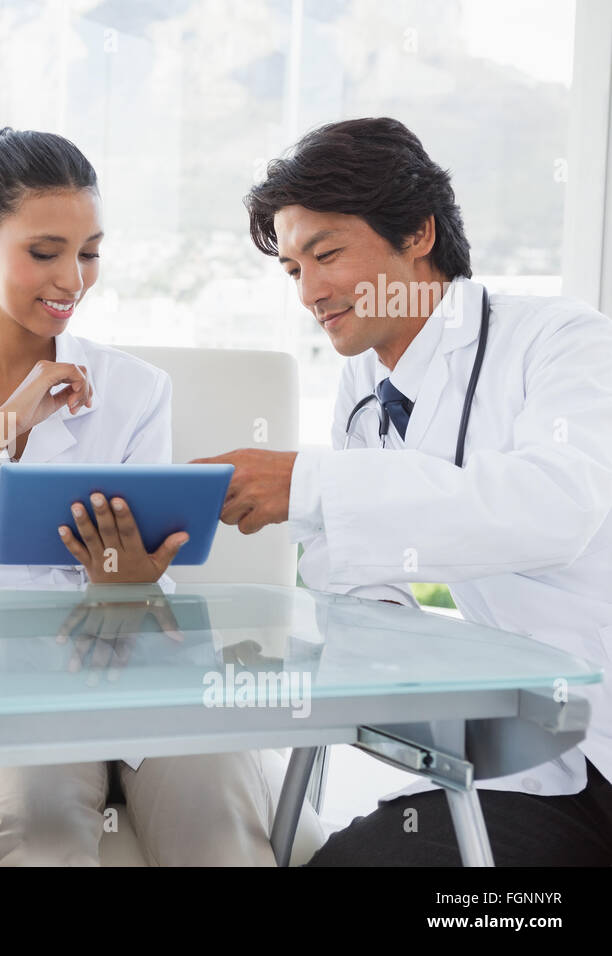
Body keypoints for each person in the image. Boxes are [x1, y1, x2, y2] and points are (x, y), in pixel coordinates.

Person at [0, 127, 313, 866]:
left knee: (219, 815)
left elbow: (149, 580)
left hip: (138, 673)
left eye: (89, 253)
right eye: (45, 252)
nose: (72, 279)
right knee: (41, 828)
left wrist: (127, 577)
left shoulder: (134, 389)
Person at [198, 116, 612, 865]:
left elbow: (557, 509)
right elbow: (358, 574)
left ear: (417, 234)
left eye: (326, 254)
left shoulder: (564, 341)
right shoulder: (364, 389)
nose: (311, 292)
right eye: (293, 270)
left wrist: (310, 482)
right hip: (533, 756)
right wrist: (355, 639)